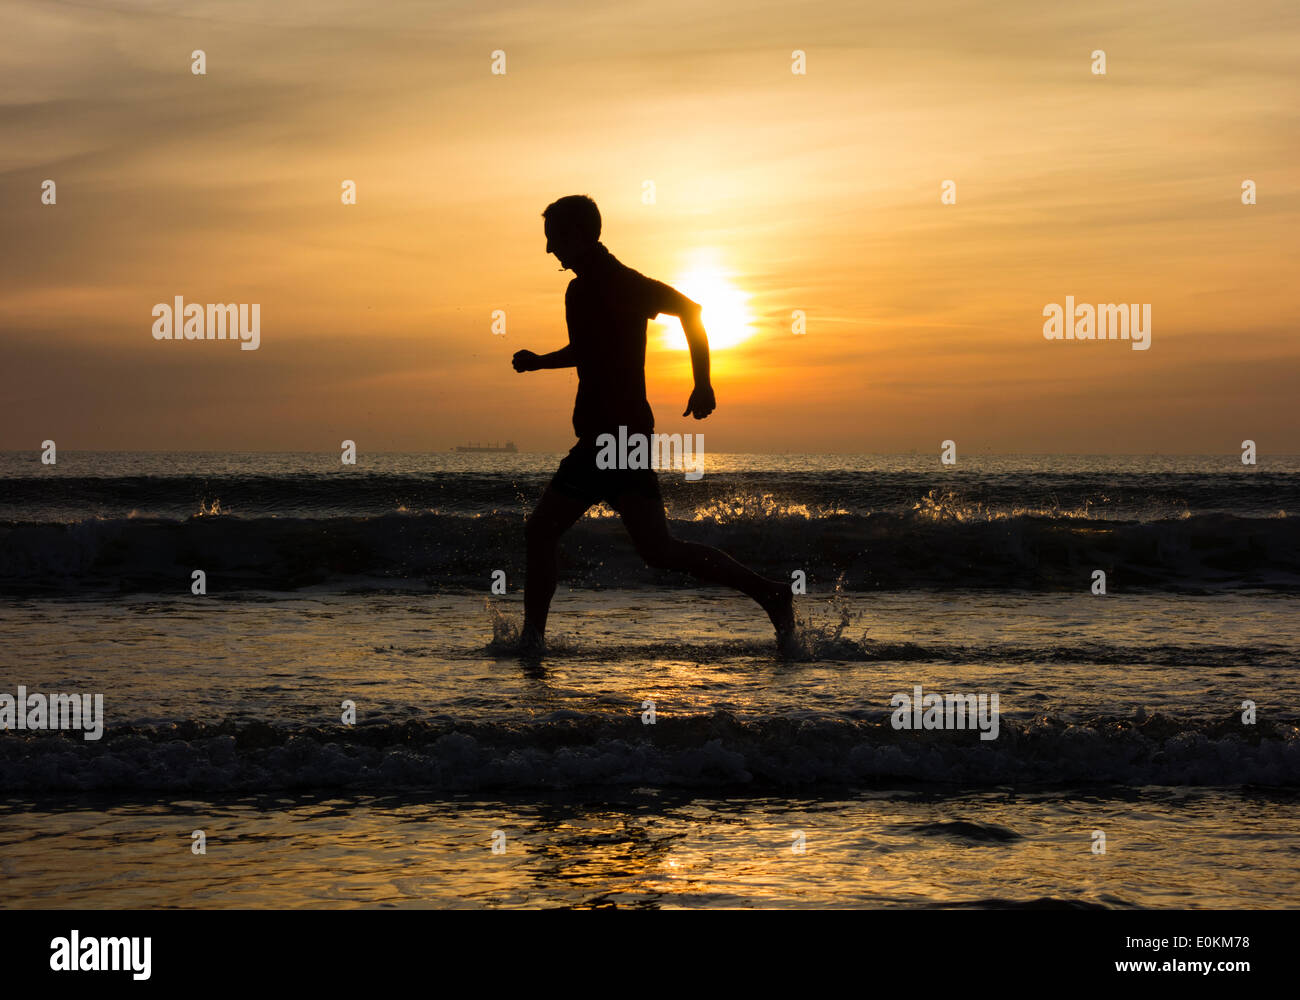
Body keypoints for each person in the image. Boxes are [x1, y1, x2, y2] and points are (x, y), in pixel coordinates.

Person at [511, 194, 795, 651]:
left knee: (541, 531)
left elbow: (689, 310)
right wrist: (701, 384)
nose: (549, 251)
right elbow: (603, 346)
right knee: (659, 551)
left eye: (553, 240)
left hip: (610, 438)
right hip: (624, 437)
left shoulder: (603, 285)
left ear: (578, 235)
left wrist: (703, 382)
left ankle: (531, 642)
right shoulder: (614, 282)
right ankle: (771, 593)